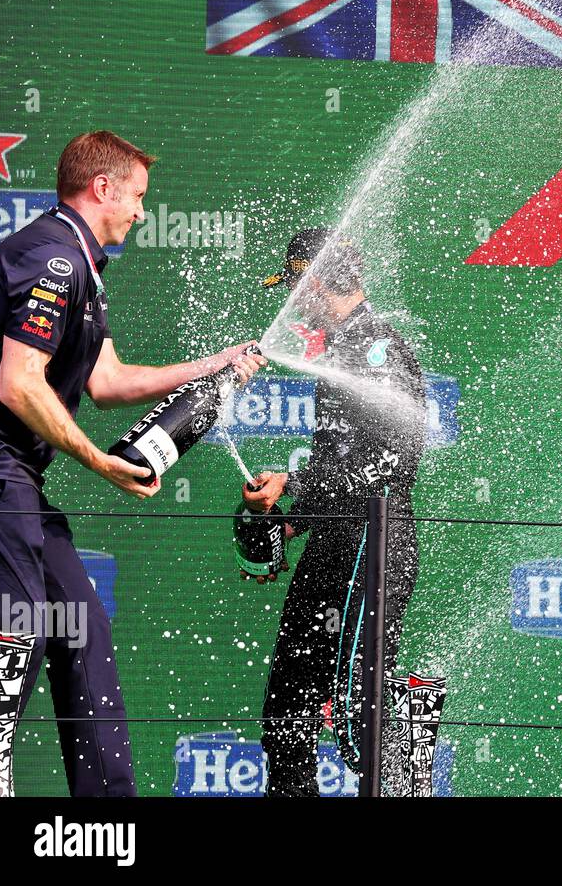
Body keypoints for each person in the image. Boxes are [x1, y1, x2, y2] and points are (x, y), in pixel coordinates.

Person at [0, 130, 264, 797]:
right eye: (137, 196)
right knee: (17, 622)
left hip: (13, 475)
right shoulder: (53, 258)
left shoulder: (81, 262)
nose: (141, 211)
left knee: (80, 618)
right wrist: (99, 465)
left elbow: (106, 380)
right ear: (102, 188)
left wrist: (214, 366)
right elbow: (17, 383)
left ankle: (109, 812)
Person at [243, 228, 426, 796]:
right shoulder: (340, 350)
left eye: (294, 287)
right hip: (333, 547)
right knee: (287, 712)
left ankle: (406, 782)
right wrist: (292, 520)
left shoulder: (379, 348)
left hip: (372, 552)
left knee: (359, 721)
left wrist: (293, 479)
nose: (291, 301)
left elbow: (392, 467)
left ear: (314, 281)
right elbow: (345, 471)